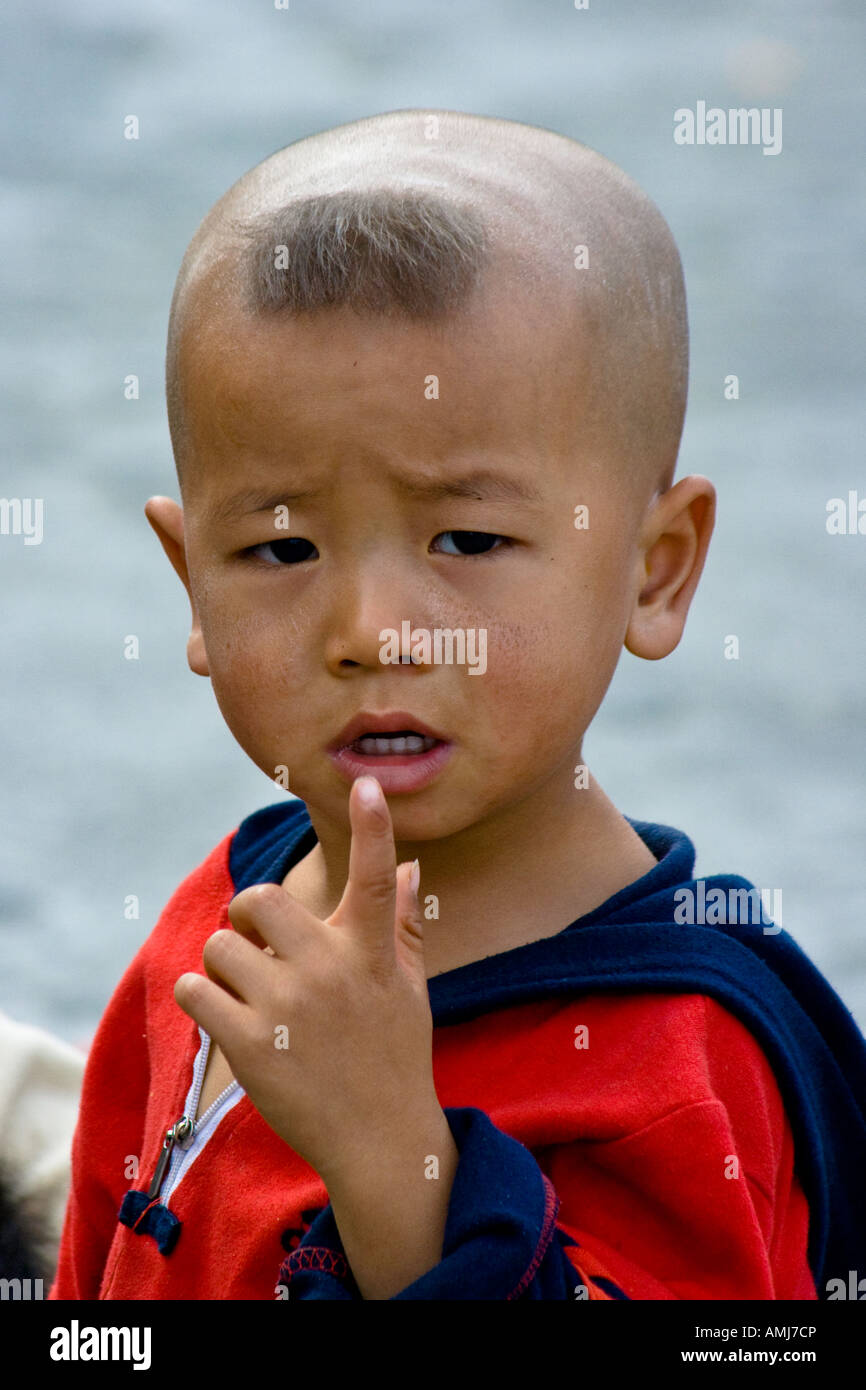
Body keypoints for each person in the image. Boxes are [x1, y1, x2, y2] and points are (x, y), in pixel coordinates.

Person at [49, 108, 866, 1301]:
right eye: (280, 551)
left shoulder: (678, 1070)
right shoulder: (218, 927)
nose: (372, 630)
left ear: (655, 568)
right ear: (189, 586)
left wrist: (400, 1169)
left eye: (468, 538)